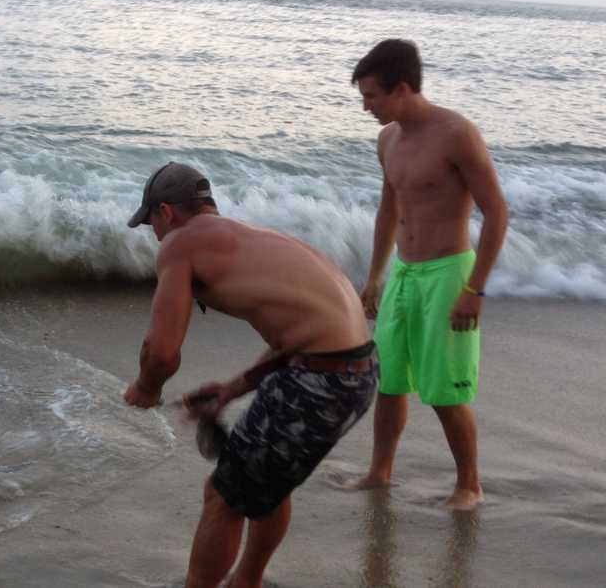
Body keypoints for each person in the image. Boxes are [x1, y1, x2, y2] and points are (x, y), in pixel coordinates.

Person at [122, 162, 378, 588]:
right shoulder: (257, 239)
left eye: (151, 224)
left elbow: (162, 353)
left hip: (320, 380)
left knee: (223, 496)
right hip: (353, 371)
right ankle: (247, 580)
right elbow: (305, 331)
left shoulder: (180, 244)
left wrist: (145, 390)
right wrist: (234, 388)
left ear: (166, 212)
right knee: (265, 484)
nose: (156, 236)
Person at [344, 39, 509, 510]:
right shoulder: (388, 139)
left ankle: (469, 486)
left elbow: (497, 213)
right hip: (404, 273)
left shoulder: (457, 134)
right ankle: (379, 472)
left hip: (449, 274)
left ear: (402, 87)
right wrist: (374, 277)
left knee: (443, 389)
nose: (366, 107)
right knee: (390, 380)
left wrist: (474, 289)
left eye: (372, 96)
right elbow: (387, 210)